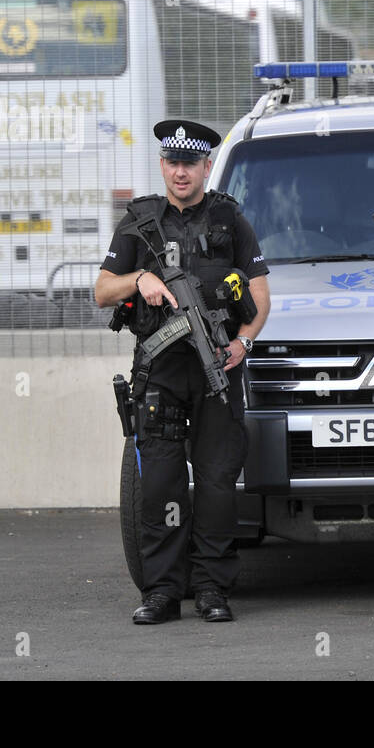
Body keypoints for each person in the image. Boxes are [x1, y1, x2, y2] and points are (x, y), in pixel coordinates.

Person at [95, 120, 270, 624]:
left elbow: (260, 298)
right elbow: (103, 290)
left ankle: (212, 588)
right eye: (172, 163)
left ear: (206, 167)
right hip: (161, 371)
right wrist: (141, 279)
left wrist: (243, 343)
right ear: (162, 165)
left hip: (216, 370)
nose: (180, 172)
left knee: (216, 485)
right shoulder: (138, 223)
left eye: (190, 164)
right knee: (161, 487)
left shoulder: (230, 221)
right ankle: (163, 592)